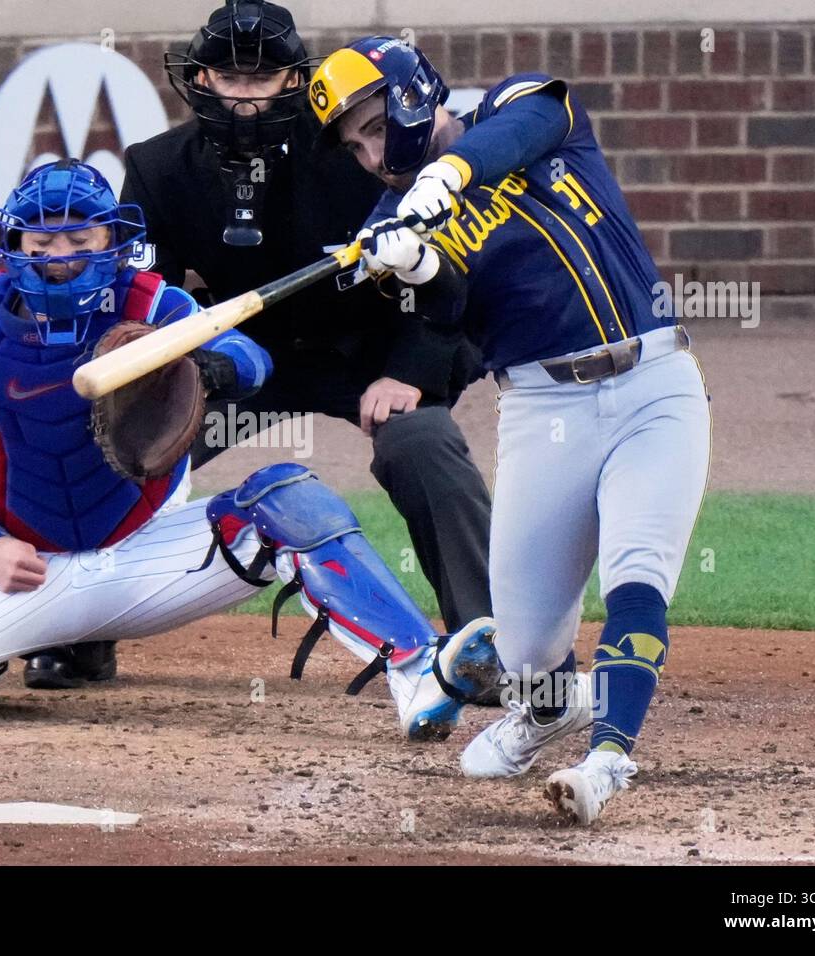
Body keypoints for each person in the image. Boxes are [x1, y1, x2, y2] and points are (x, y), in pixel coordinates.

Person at [0, 159, 497, 740]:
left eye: (79, 240)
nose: (60, 257)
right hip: (19, 568)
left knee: (288, 499)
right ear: (12, 245)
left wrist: (213, 370)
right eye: (42, 242)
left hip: (152, 555)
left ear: (111, 239)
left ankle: (420, 671)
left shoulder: (152, 302)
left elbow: (249, 357)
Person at [20, 1, 495, 695]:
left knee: (422, 445)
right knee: (116, 445)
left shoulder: (359, 153)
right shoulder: (158, 167)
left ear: (292, 82)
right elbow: (140, 298)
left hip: (363, 350)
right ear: (200, 79)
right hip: (235, 357)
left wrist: (408, 372)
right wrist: (178, 371)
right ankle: (79, 631)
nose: (244, 96)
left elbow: (447, 274)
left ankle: (482, 643)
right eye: (228, 76)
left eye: (262, 77)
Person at [310, 37, 712, 823]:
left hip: (655, 384)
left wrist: (444, 180)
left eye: (369, 125)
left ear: (411, 95)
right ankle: (548, 706)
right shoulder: (393, 223)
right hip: (543, 409)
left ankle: (608, 759)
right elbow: (451, 318)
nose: (365, 151)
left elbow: (526, 127)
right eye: (350, 144)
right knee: (527, 647)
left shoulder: (519, 106)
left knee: (636, 571)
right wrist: (419, 268)